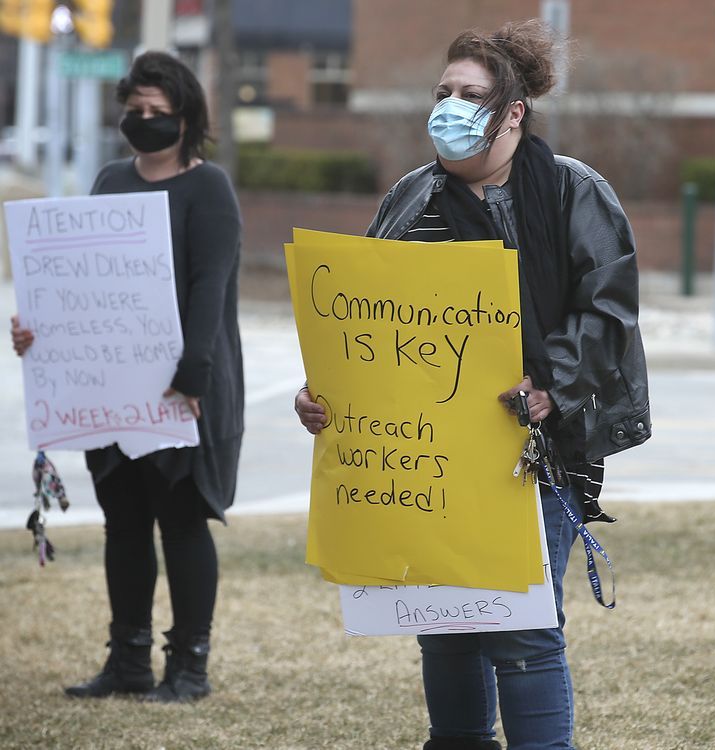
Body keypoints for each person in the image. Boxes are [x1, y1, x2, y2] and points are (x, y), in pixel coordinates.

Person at [294, 20, 650, 750]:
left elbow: (608, 309)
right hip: (428, 456)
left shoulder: (572, 193)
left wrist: (552, 383)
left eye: (471, 94)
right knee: (445, 628)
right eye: (443, 92)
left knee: (521, 633)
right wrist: (326, 391)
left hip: (533, 450)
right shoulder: (410, 199)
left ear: (512, 112)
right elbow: (364, 320)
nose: (449, 106)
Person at [10, 51, 243, 703]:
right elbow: (77, 283)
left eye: (157, 113)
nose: (143, 122)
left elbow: (210, 285)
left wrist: (193, 375)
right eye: (134, 112)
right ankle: (129, 662)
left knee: (183, 522)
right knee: (125, 524)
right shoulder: (111, 181)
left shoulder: (208, 188)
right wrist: (34, 332)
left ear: (186, 117)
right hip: (107, 389)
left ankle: (189, 666)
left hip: (181, 390)